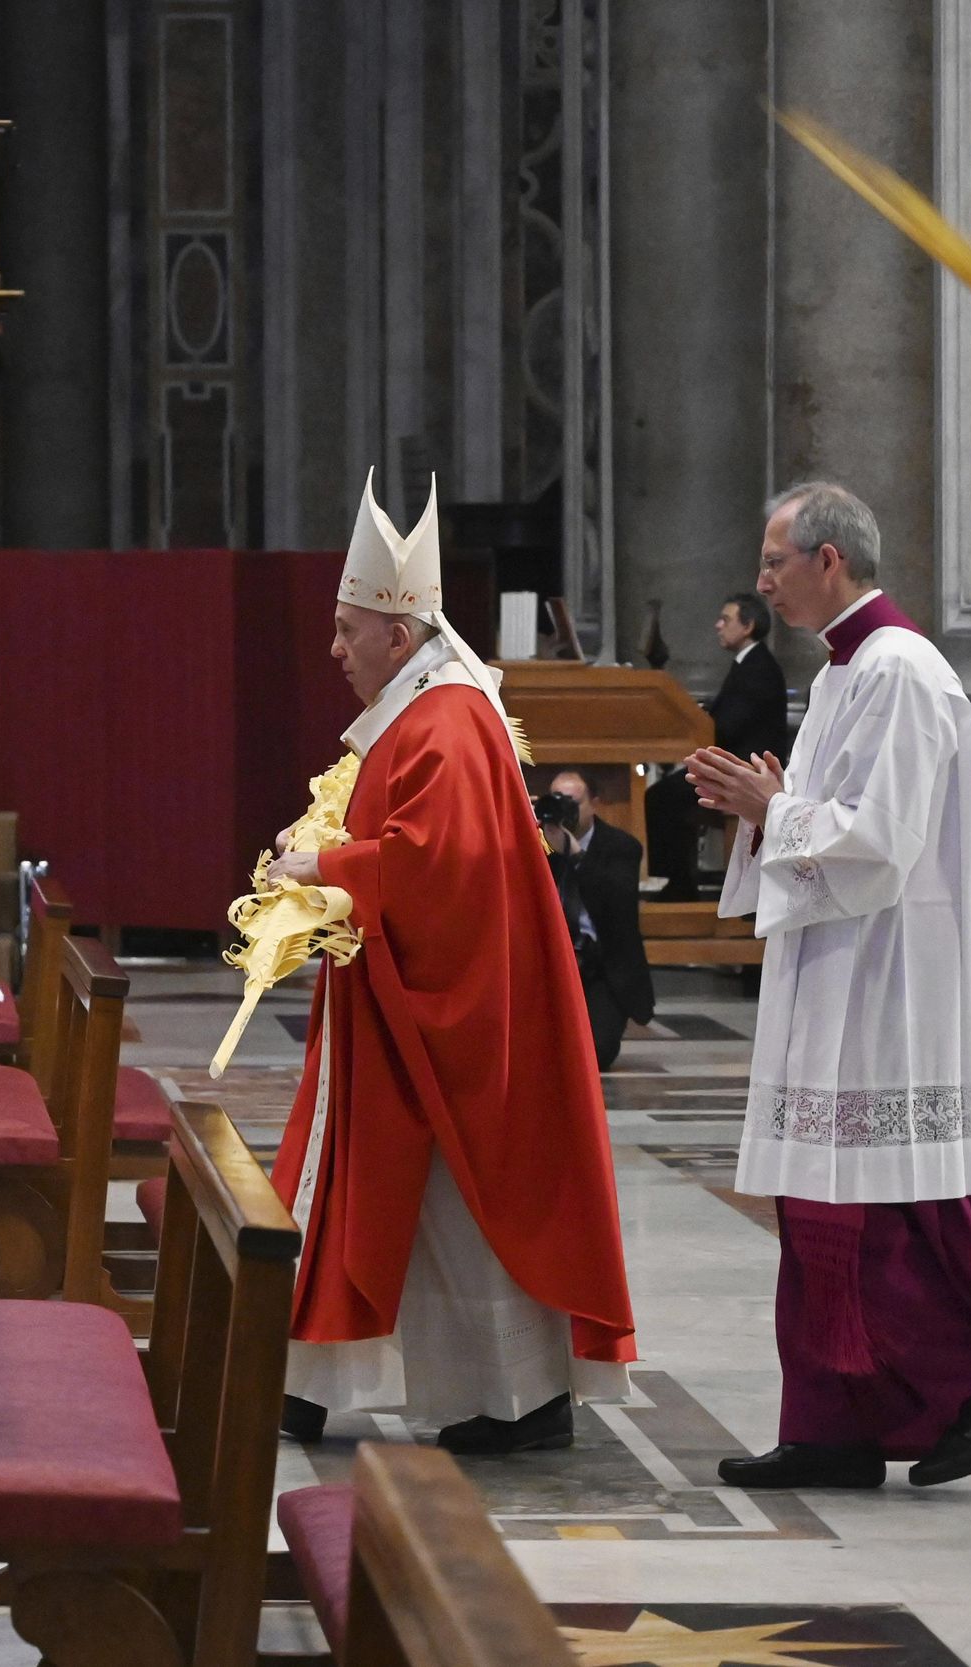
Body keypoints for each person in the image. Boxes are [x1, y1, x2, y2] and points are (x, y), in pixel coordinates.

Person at [690, 481, 971, 1490]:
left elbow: (882, 838)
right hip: (840, 966)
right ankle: (831, 1428)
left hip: (888, 981)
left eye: (772, 561)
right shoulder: (848, 672)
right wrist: (763, 807)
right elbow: (832, 813)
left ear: (828, 558)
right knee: (818, 1211)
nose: (759, 581)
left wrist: (776, 808)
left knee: (881, 1220)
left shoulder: (901, 672)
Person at [266, 474, 635, 1454]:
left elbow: (444, 864)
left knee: (458, 1200)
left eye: (347, 630)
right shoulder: (426, 704)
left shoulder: (444, 717)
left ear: (397, 632)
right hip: (399, 999)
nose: (334, 649)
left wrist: (326, 866)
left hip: (453, 1011)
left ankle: (512, 1400)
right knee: (386, 1196)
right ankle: (349, 1382)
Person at [648, 590, 792, 900]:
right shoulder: (749, 663)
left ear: (748, 625)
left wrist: (695, 722)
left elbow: (725, 726)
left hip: (745, 771)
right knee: (665, 796)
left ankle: (679, 888)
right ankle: (679, 883)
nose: (717, 625)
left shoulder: (757, 668)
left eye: (725, 619)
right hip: (734, 764)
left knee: (661, 798)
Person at [540, 769, 655, 1070]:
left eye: (573, 803)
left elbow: (615, 901)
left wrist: (575, 854)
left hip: (602, 965)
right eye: (557, 802)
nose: (565, 811)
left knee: (595, 1053)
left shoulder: (622, 847)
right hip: (549, 963)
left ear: (595, 802)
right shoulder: (536, 843)